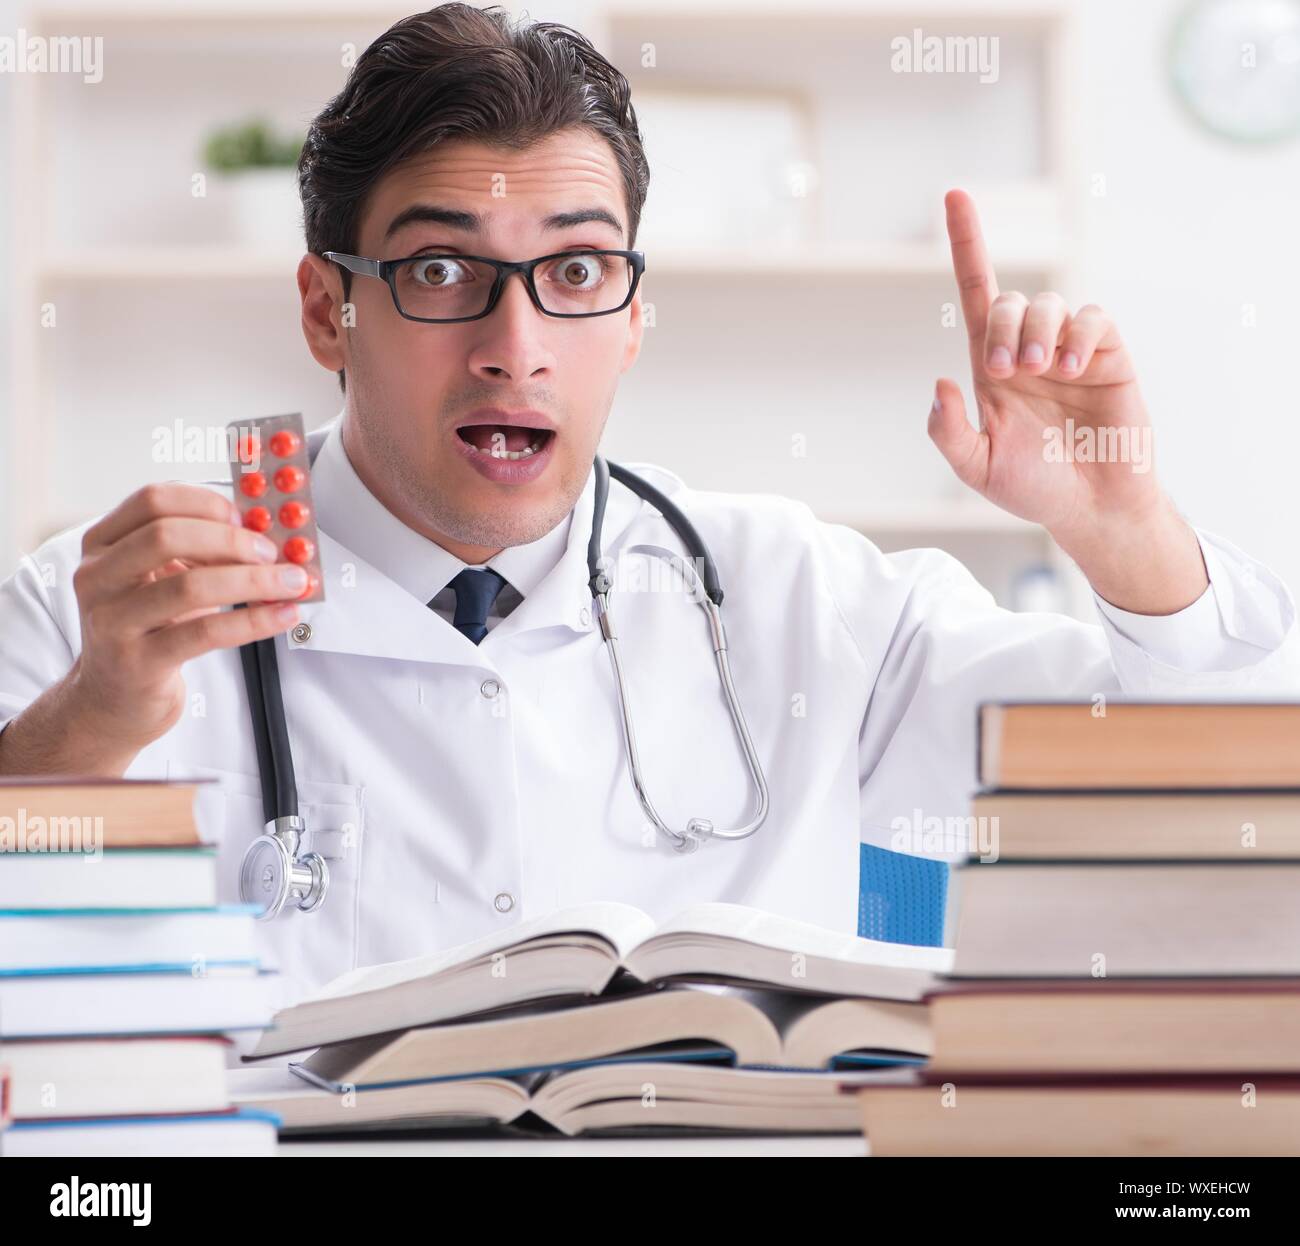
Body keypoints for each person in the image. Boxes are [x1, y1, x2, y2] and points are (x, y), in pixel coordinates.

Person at [1, 5, 1296, 1005]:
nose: (516, 345)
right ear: (324, 308)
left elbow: (1212, 793)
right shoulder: (97, 618)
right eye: (442, 267)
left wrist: (1121, 535)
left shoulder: (800, 599)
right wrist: (90, 723)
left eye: (575, 269)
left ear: (633, 318)